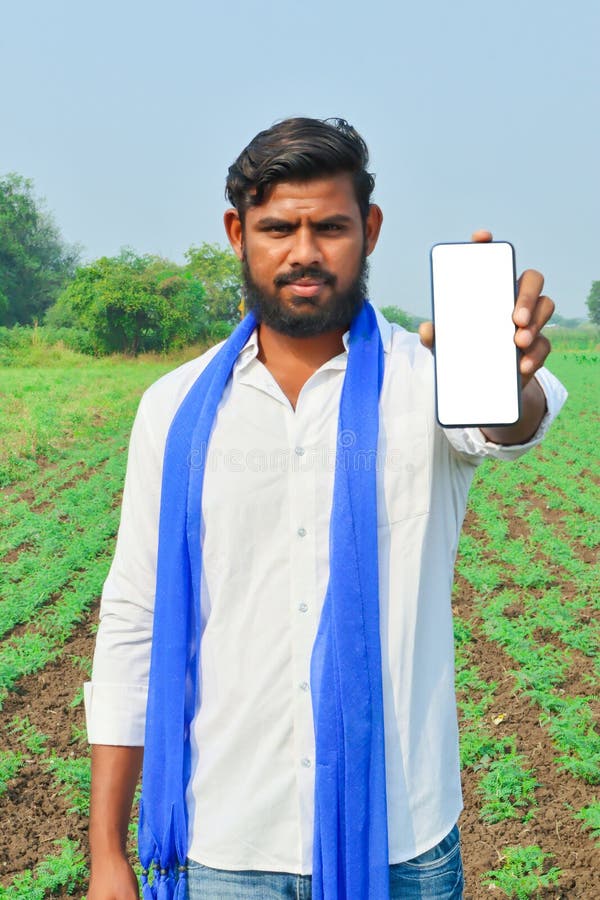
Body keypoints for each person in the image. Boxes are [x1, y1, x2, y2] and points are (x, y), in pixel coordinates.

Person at [85, 117, 566, 900]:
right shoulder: (172, 409)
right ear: (238, 233)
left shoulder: (430, 383)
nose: (304, 251)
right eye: (278, 228)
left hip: (402, 844)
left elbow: (511, 423)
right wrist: (108, 849)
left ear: (368, 231)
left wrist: (508, 380)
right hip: (224, 843)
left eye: (330, 227)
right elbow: (133, 616)